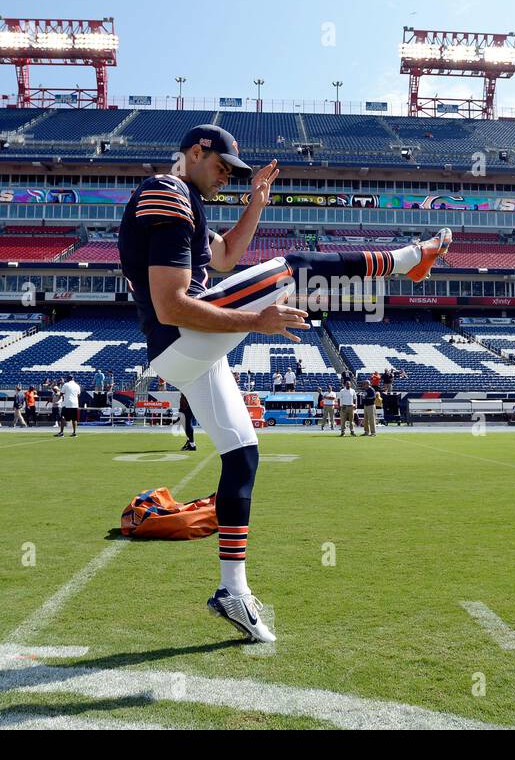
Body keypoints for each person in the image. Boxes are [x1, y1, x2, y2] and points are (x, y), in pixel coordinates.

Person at [117, 123, 449, 642]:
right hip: (180, 334)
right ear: (196, 152)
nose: (226, 179)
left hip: (187, 351)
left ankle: (233, 590)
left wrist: (257, 203)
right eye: (222, 167)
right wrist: (255, 321)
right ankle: (411, 259)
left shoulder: (182, 199)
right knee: (293, 265)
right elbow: (171, 303)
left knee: (242, 454)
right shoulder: (167, 190)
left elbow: (224, 257)